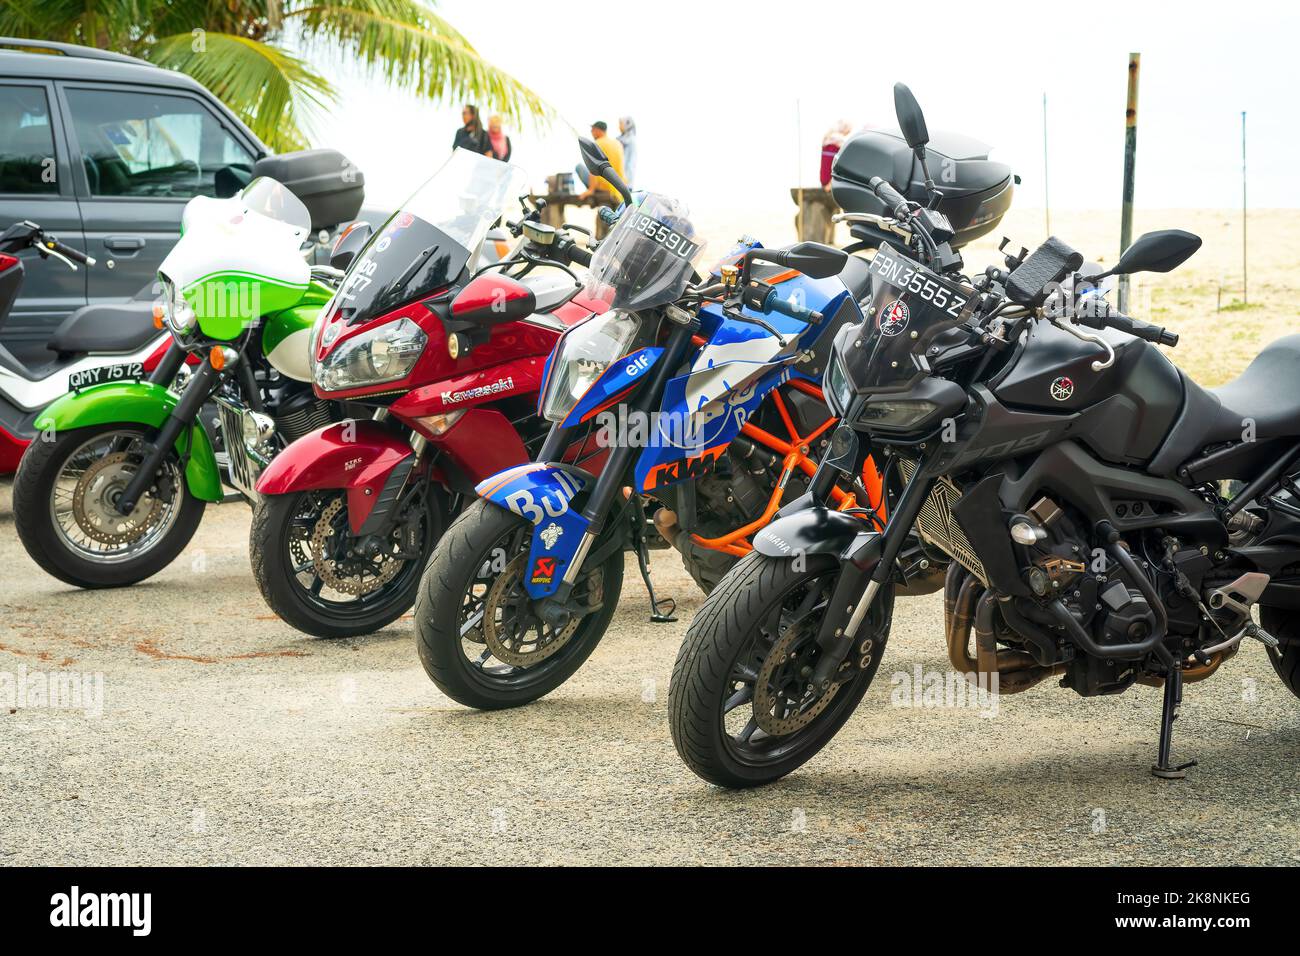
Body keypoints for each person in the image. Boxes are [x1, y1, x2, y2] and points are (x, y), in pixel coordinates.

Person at [576, 121, 626, 206]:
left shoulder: (597, 144)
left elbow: (593, 168)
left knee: (579, 167)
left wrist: (591, 190)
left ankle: (592, 189)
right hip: (618, 186)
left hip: (603, 186)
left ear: (598, 130)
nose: (591, 132)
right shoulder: (617, 143)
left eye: (592, 130)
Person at [820, 119, 852, 190]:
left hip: (824, 179)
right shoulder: (838, 140)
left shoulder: (827, 138)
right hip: (830, 182)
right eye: (849, 129)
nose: (849, 131)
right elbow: (838, 165)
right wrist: (830, 183)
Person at [617, 115, 637, 187]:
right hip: (620, 178)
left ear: (627, 124)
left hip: (626, 180)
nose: (619, 127)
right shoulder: (621, 139)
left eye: (620, 124)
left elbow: (629, 162)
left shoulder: (630, 140)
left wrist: (625, 180)